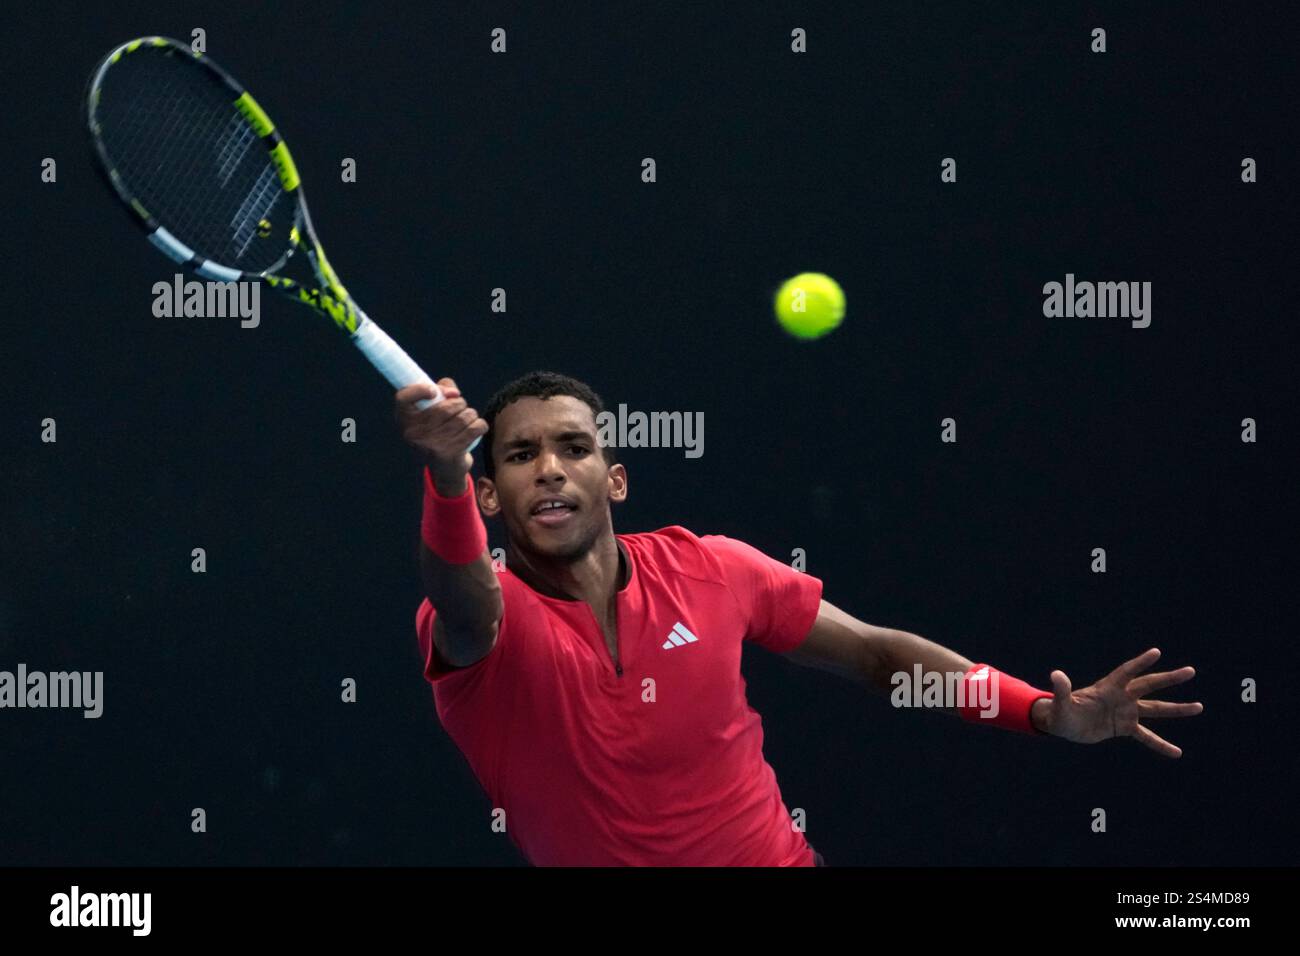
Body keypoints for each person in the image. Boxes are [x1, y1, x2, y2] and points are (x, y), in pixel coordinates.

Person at [396, 370, 1203, 866]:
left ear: (616, 480)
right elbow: (467, 599)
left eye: (574, 448)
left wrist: (1039, 713)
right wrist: (442, 472)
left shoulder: (712, 567)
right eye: (520, 454)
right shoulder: (480, 624)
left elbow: (879, 658)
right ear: (489, 493)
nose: (550, 469)